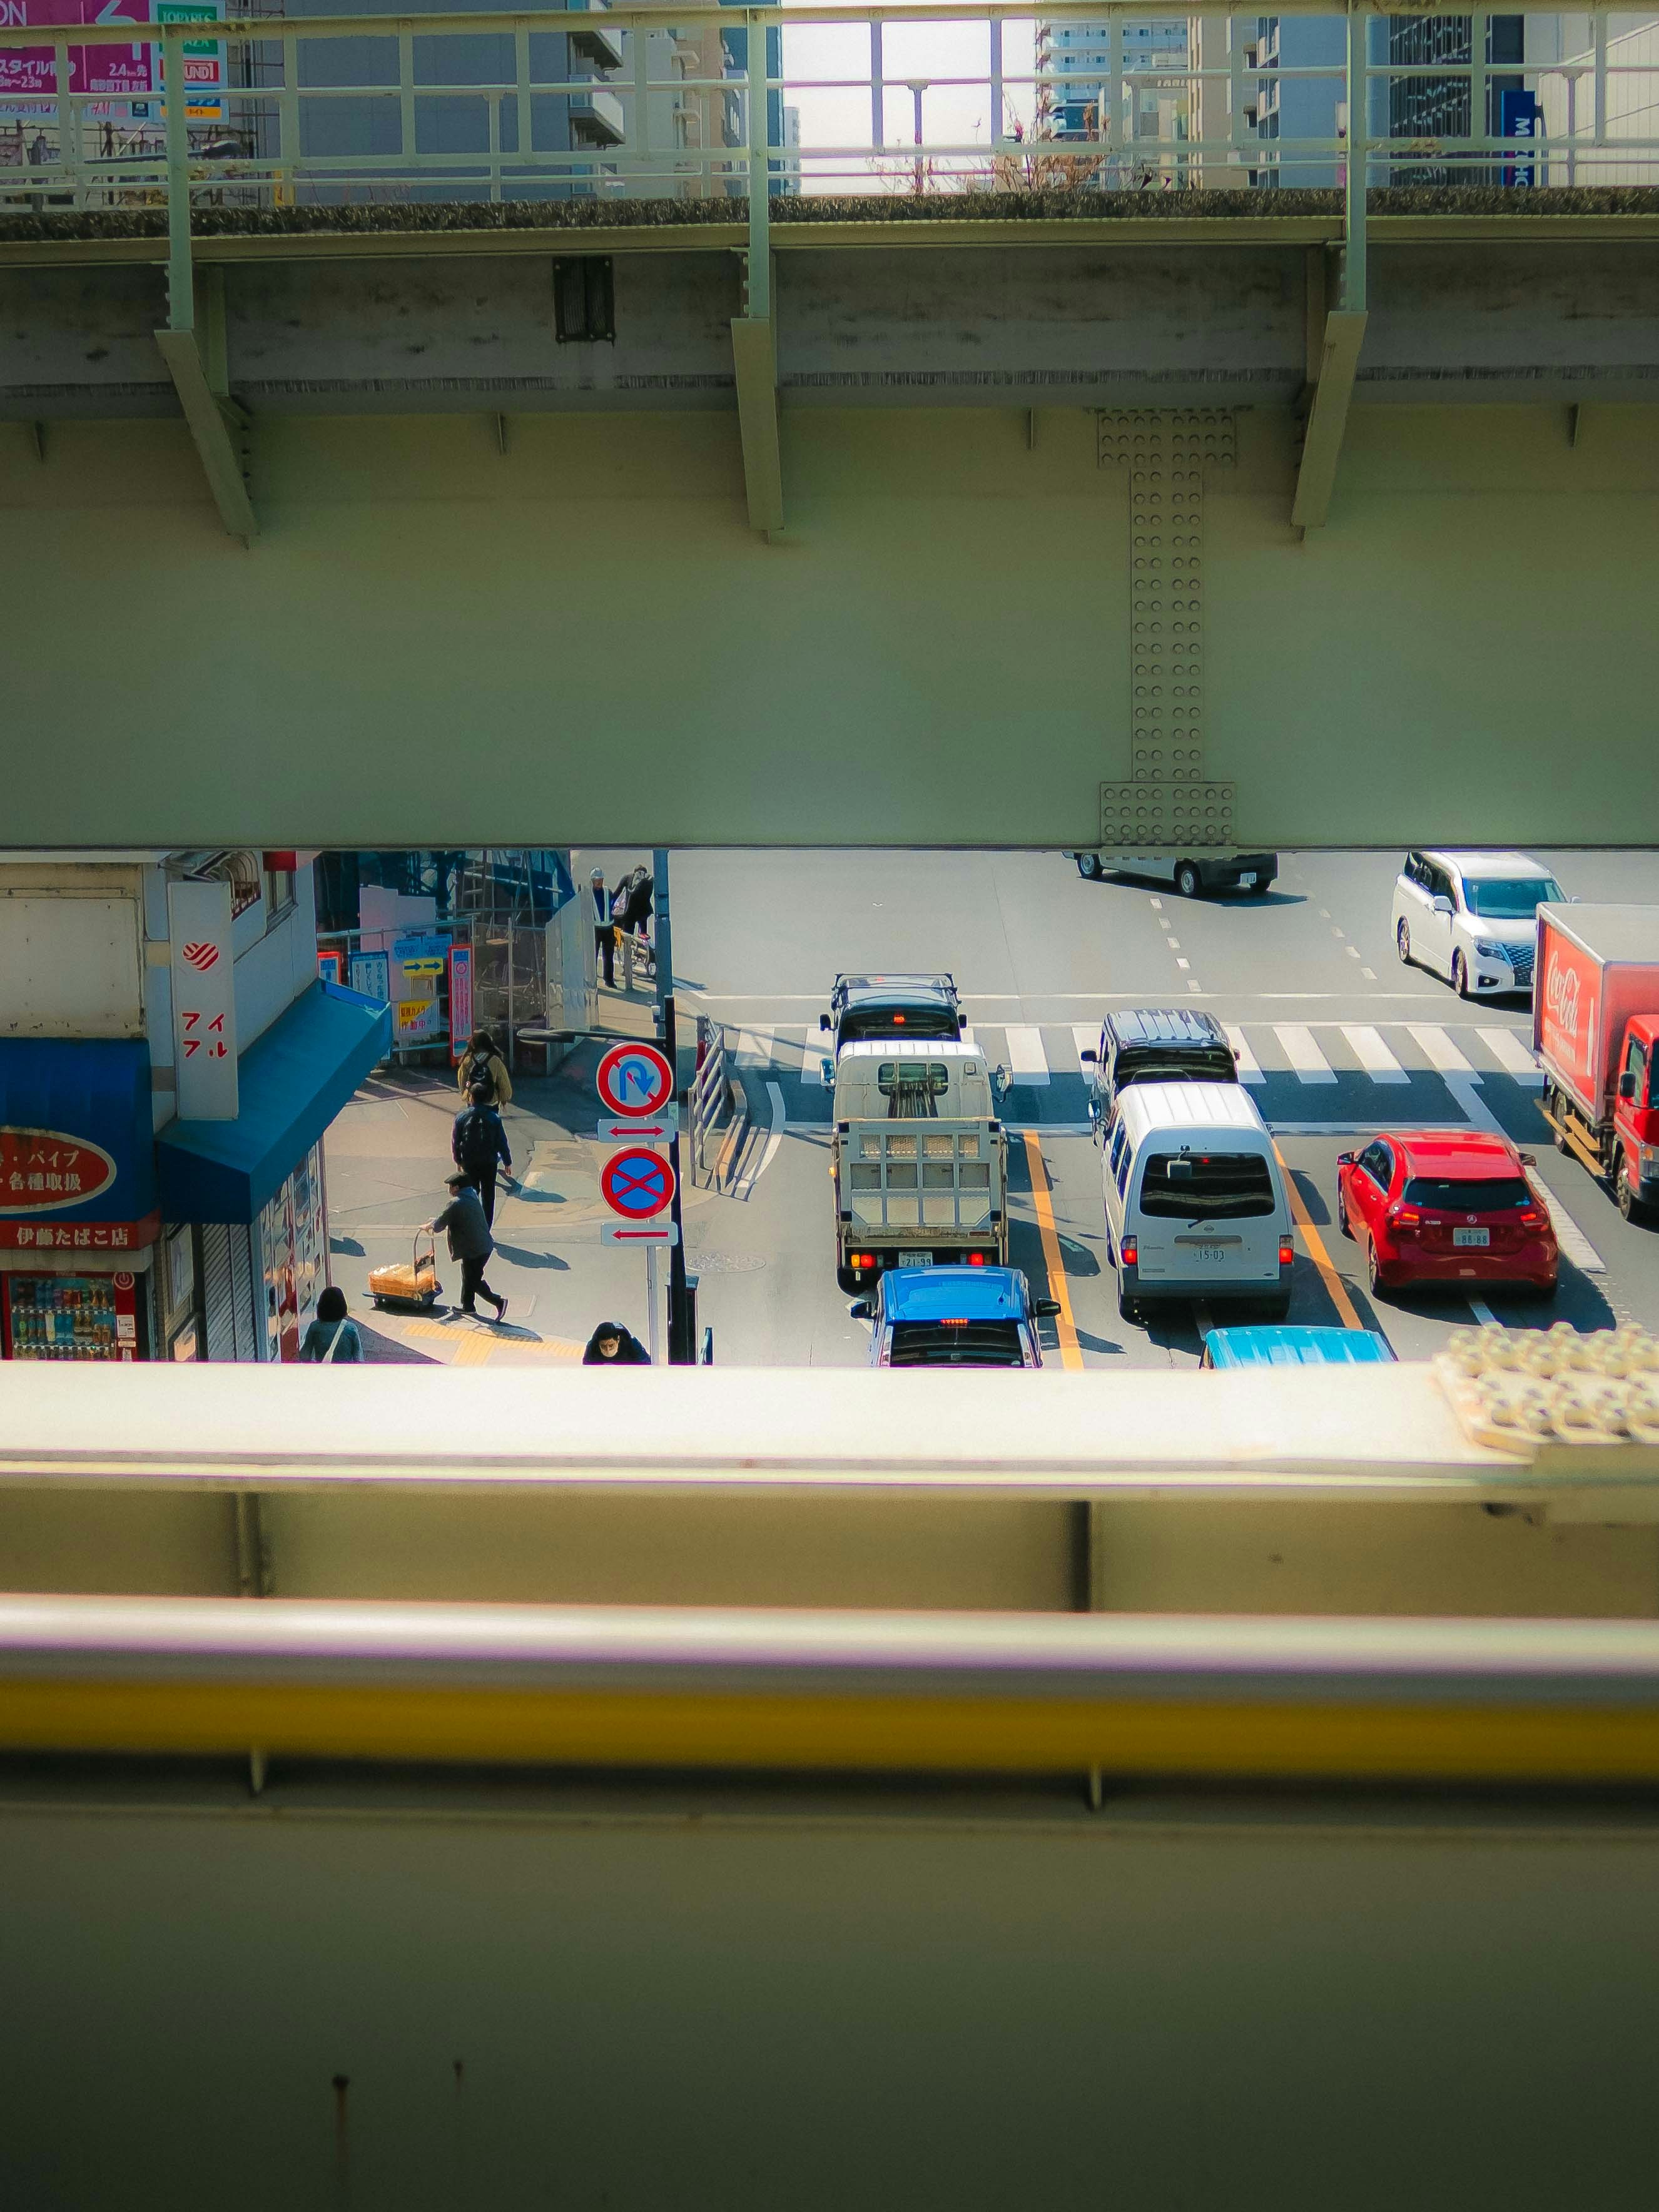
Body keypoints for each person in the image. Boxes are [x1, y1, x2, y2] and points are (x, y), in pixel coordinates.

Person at [424, 1172, 508, 1322]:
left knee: (473, 1280)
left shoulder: (456, 1203)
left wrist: (429, 1225)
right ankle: (468, 1306)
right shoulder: (472, 1196)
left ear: (456, 1188)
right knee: (468, 1275)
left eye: (450, 1187)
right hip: (482, 1245)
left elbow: (438, 1225)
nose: (449, 1190)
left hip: (474, 1249)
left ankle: (498, 1302)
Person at [452, 1080, 513, 1227]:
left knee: (472, 1194)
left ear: (471, 1097)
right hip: (489, 1162)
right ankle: (487, 1228)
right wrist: (507, 1162)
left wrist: (458, 1160)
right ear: (487, 1098)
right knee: (489, 1195)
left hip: (469, 1162)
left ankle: (473, 1226)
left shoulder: (462, 1117)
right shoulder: (494, 1118)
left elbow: (456, 1141)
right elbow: (502, 1142)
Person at [298, 1284, 362, 1363]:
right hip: (345, 1373)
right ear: (343, 1306)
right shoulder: (351, 1329)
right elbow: (359, 1359)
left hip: (323, 1372)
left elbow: (305, 1357)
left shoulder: (315, 1327)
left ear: (321, 1307)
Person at [457, 1028, 512, 1108]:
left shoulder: (467, 1060)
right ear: (488, 1043)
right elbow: (504, 1083)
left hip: (473, 1101)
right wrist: (504, 1097)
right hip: (491, 1102)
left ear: (473, 1044)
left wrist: (467, 1094)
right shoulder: (495, 1060)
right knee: (495, 1121)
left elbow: (463, 1082)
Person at [583, 1319, 651, 1366]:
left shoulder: (632, 1344)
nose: (608, 1350)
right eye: (603, 1346)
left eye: (611, 1345)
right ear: (598, 1344)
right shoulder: (592, 1347)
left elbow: (647, 1364)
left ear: (618, 1340)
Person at [589, 867, 614, 988]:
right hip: (595, 929)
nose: (599, 882)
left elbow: (614, 905)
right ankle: (592, 979)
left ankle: (609, 980)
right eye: (597, 880)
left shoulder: (607, 891)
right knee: (593, 955)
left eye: (601, 879)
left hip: (608, 928)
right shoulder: (588, 893)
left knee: (608, 956)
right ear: (592, 881)